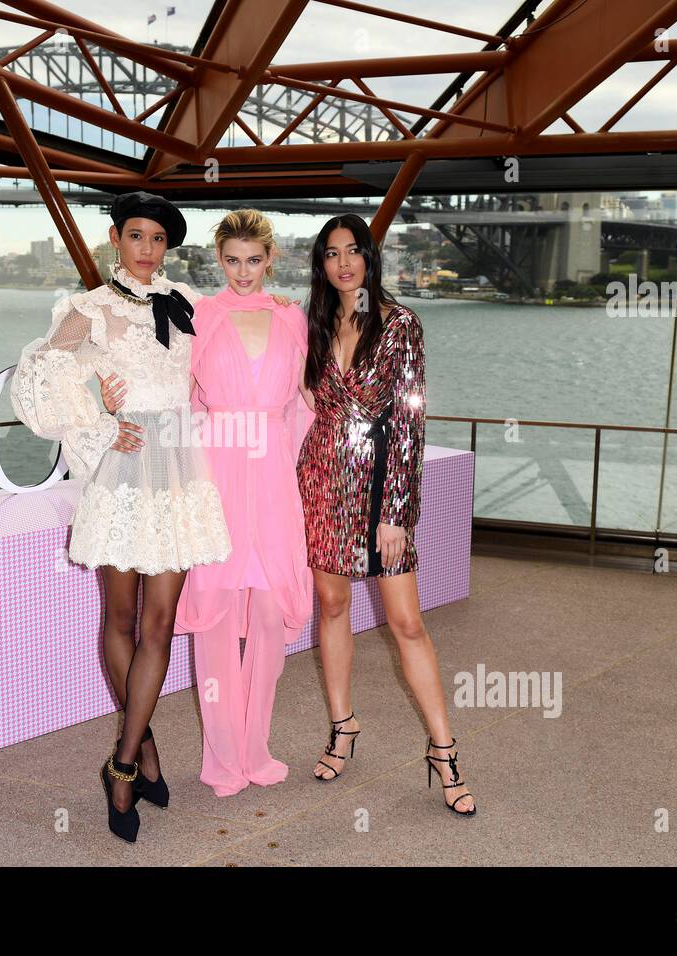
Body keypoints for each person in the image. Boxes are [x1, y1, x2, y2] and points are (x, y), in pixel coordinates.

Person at [8, 191, 232, 842]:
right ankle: (144, 746)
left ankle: (124, 762)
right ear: (115, 238)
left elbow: (220, 363)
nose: (146, 249)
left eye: (158, 240)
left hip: (178, 471)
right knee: (121, 618)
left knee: (159, 622)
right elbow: (38, 378)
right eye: (136, 236)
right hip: (124, 468)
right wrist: (97, 419)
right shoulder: (89, 307)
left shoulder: (185, 302)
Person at [295, 213, 478, 816]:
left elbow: (408, 422)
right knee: (331, 606)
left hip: (379, 488)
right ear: (321, 265)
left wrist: (396, 512)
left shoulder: (401, 325)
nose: (343, 263)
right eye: (331, 253)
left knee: (406, 622)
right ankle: (344, 725)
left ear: (370, 258)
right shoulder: (314, 325)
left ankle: (443, 750)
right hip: (323, 481)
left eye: (353, 251)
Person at [171, 209, 313, 797]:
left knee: (267, 622)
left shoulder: (292, 317)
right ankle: (223, 757)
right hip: (219, 473)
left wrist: (292, 466)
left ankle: (258, 749)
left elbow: (300, 405)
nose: (243, 272)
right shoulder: (201, 316)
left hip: (276, 479)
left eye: (254, 260)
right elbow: (184, 401)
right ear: (218, 259)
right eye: (232, 260)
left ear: (270, 258)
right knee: (217, 619)